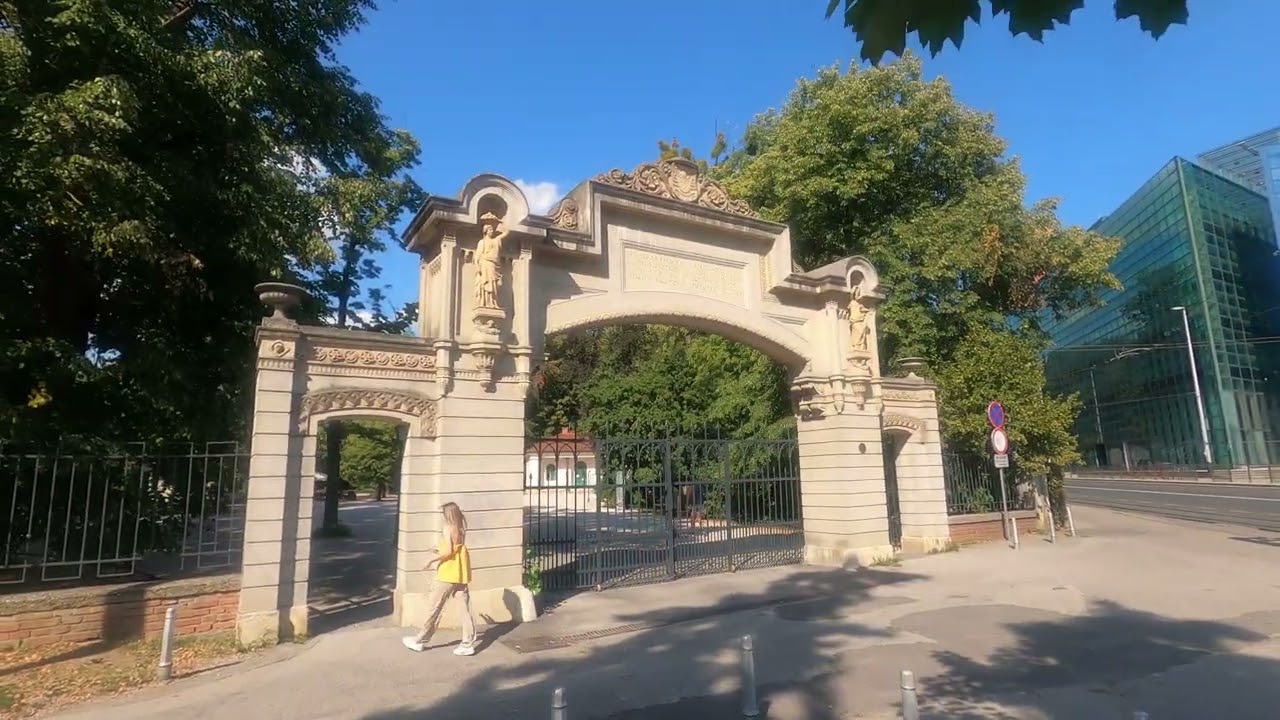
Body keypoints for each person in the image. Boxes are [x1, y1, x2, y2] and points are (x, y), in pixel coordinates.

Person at [401, 502, 478, 656]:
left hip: (448, 573)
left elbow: (449, 552)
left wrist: (431, 560)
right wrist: (438, 549)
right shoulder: (461, 527)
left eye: (443, 512)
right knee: (465, 609)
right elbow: (456, 548)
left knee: (435, 607)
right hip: (460, 572)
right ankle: (468, 643)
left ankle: (420, 640)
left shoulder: (448, 528)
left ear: (447, 514)